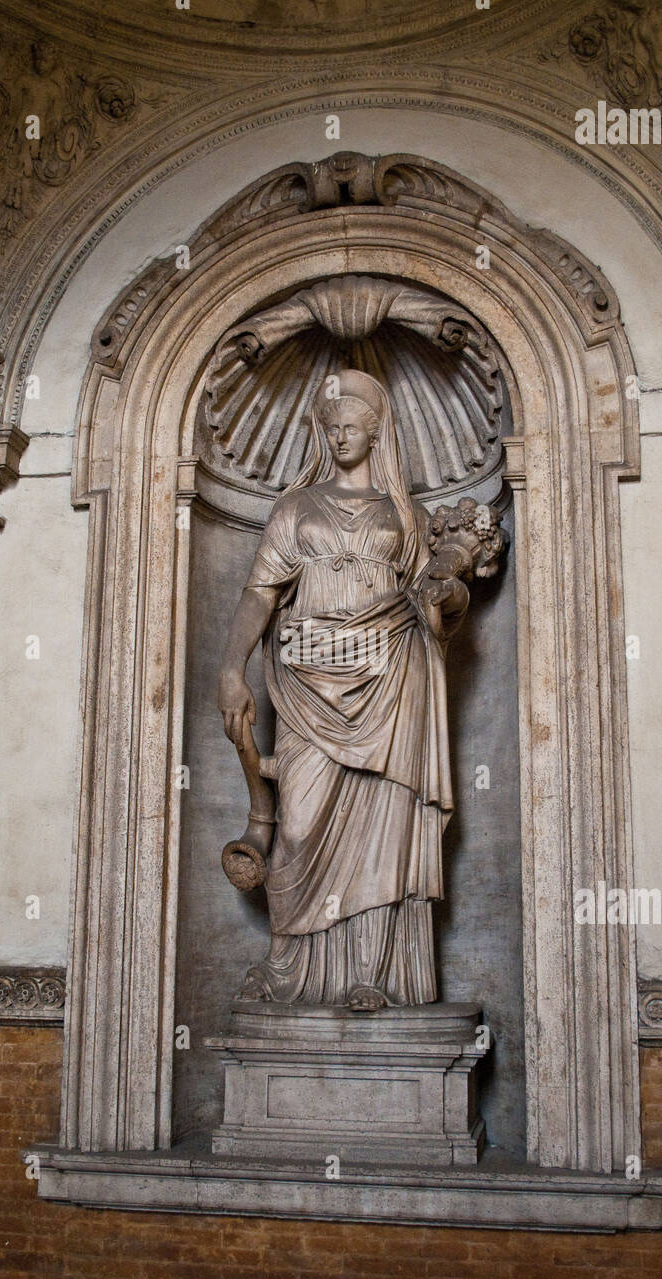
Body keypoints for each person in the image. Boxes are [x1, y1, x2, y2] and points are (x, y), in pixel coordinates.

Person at [217, 369, 468, 1010]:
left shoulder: (401, 514)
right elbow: (259, 593)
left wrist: (448, 594)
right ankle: (288, 971)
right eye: (331, 427)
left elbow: (432, 598)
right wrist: (231, 667)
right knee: (298, 825)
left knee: (384, 826)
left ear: (377, 430)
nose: (341, 435)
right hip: (304, 675)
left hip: (391, 679)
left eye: (353, 424)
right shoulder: (296, 507)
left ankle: (372, 975)